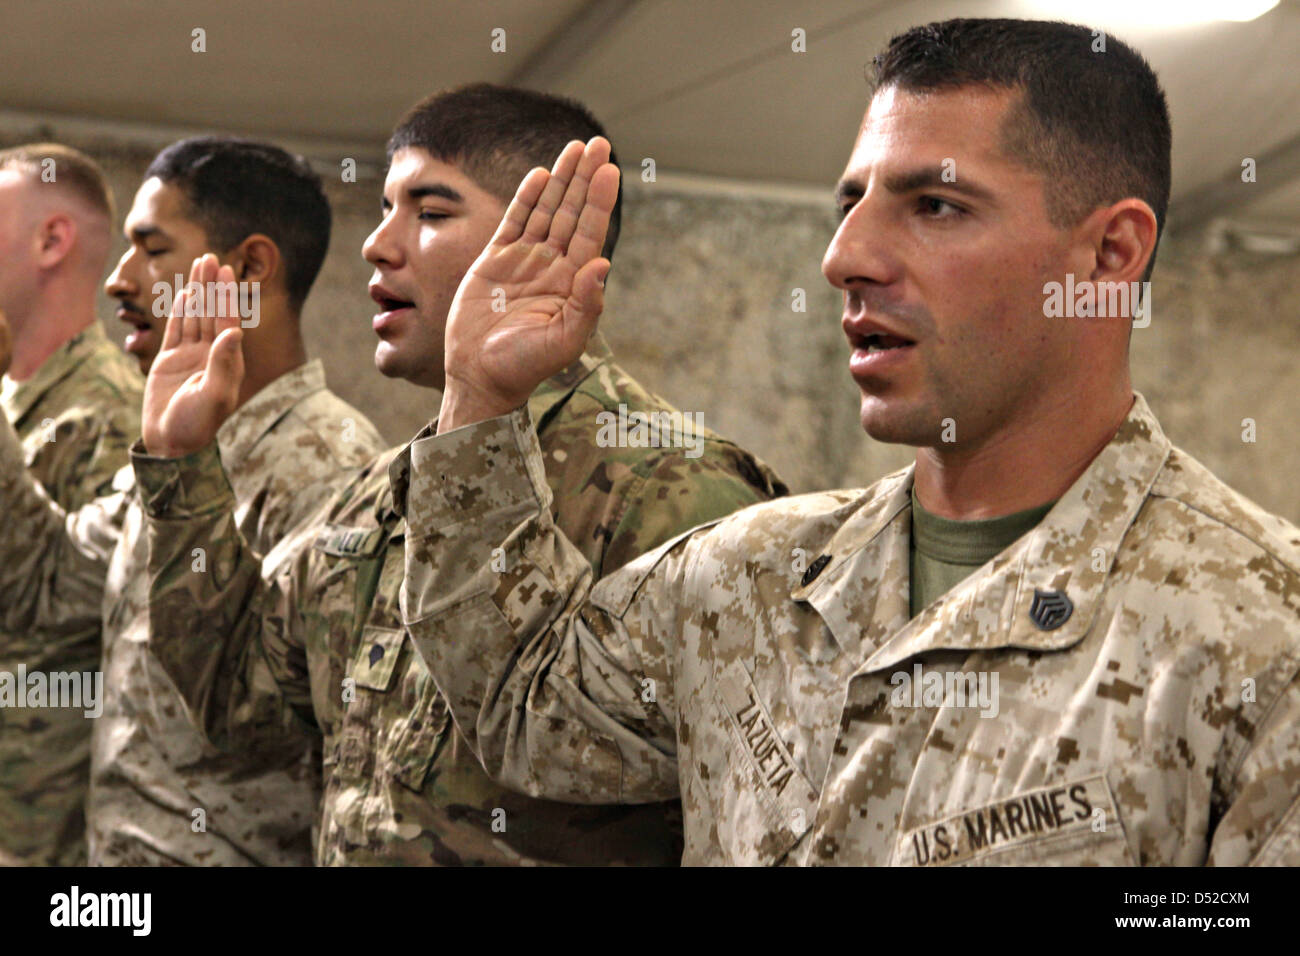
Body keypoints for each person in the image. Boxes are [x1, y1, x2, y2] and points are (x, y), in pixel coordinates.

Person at [386, 19, 1298, 865]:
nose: (845, 257)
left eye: (935, 205)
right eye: (850, 200)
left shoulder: (1257, 635)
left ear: (1108, 258)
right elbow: (522, 712)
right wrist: (481, 398)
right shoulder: (749, 578)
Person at [136, 85, 787, 865]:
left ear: (552, 242)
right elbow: (238, 712)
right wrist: (182, 474)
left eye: (431, 212)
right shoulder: (376, 499)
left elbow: (751, 813)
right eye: (383, 207)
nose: (377, 243)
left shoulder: (669, 489)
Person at [0, 136, 386, 865]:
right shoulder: (171, 455)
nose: (118, 280)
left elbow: (305, 735)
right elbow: (42, 589)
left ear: (248, 269)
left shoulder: (330, 471)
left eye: (152, 250)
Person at [0, 143, 142, 864]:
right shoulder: (12, 398)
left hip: (40, 832)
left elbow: (108, 639)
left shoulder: (112, 413)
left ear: (51, 240)